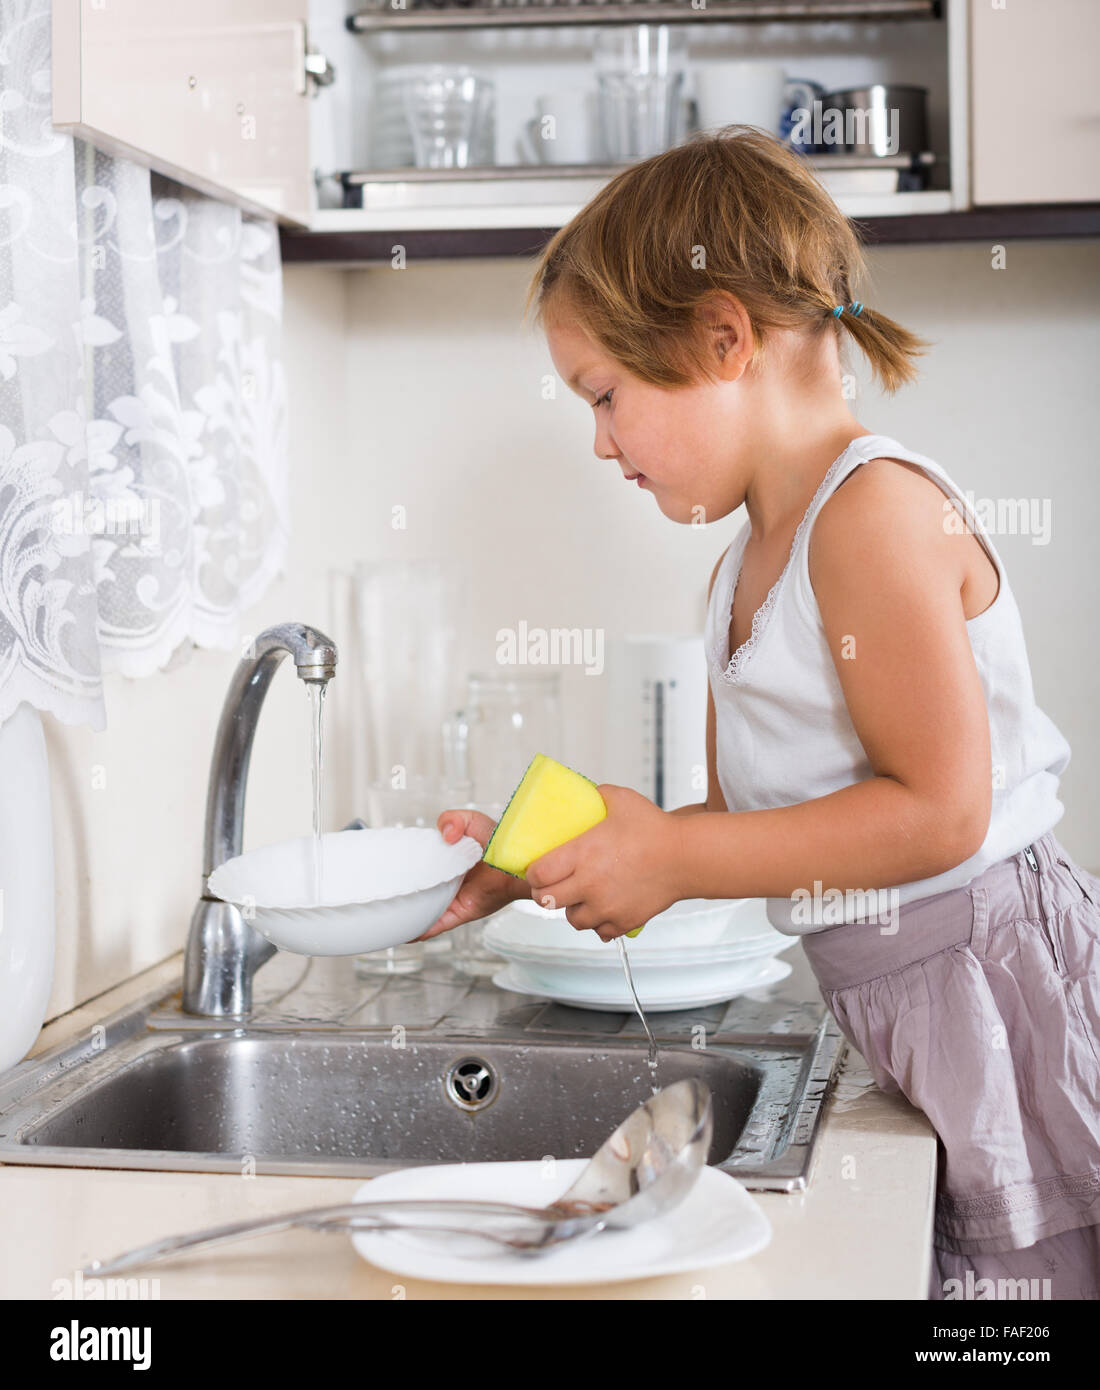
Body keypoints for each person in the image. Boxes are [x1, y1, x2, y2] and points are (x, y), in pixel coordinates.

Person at [418, 127, 1100, 1300]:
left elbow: (938, 814)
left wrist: (674, 852)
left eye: (604, 394)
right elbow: (748, 828)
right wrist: (558, 863)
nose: (598, 440)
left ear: (723, 336)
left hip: (998, 990)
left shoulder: (872, 515)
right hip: (908, 1002)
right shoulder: (738, 573)